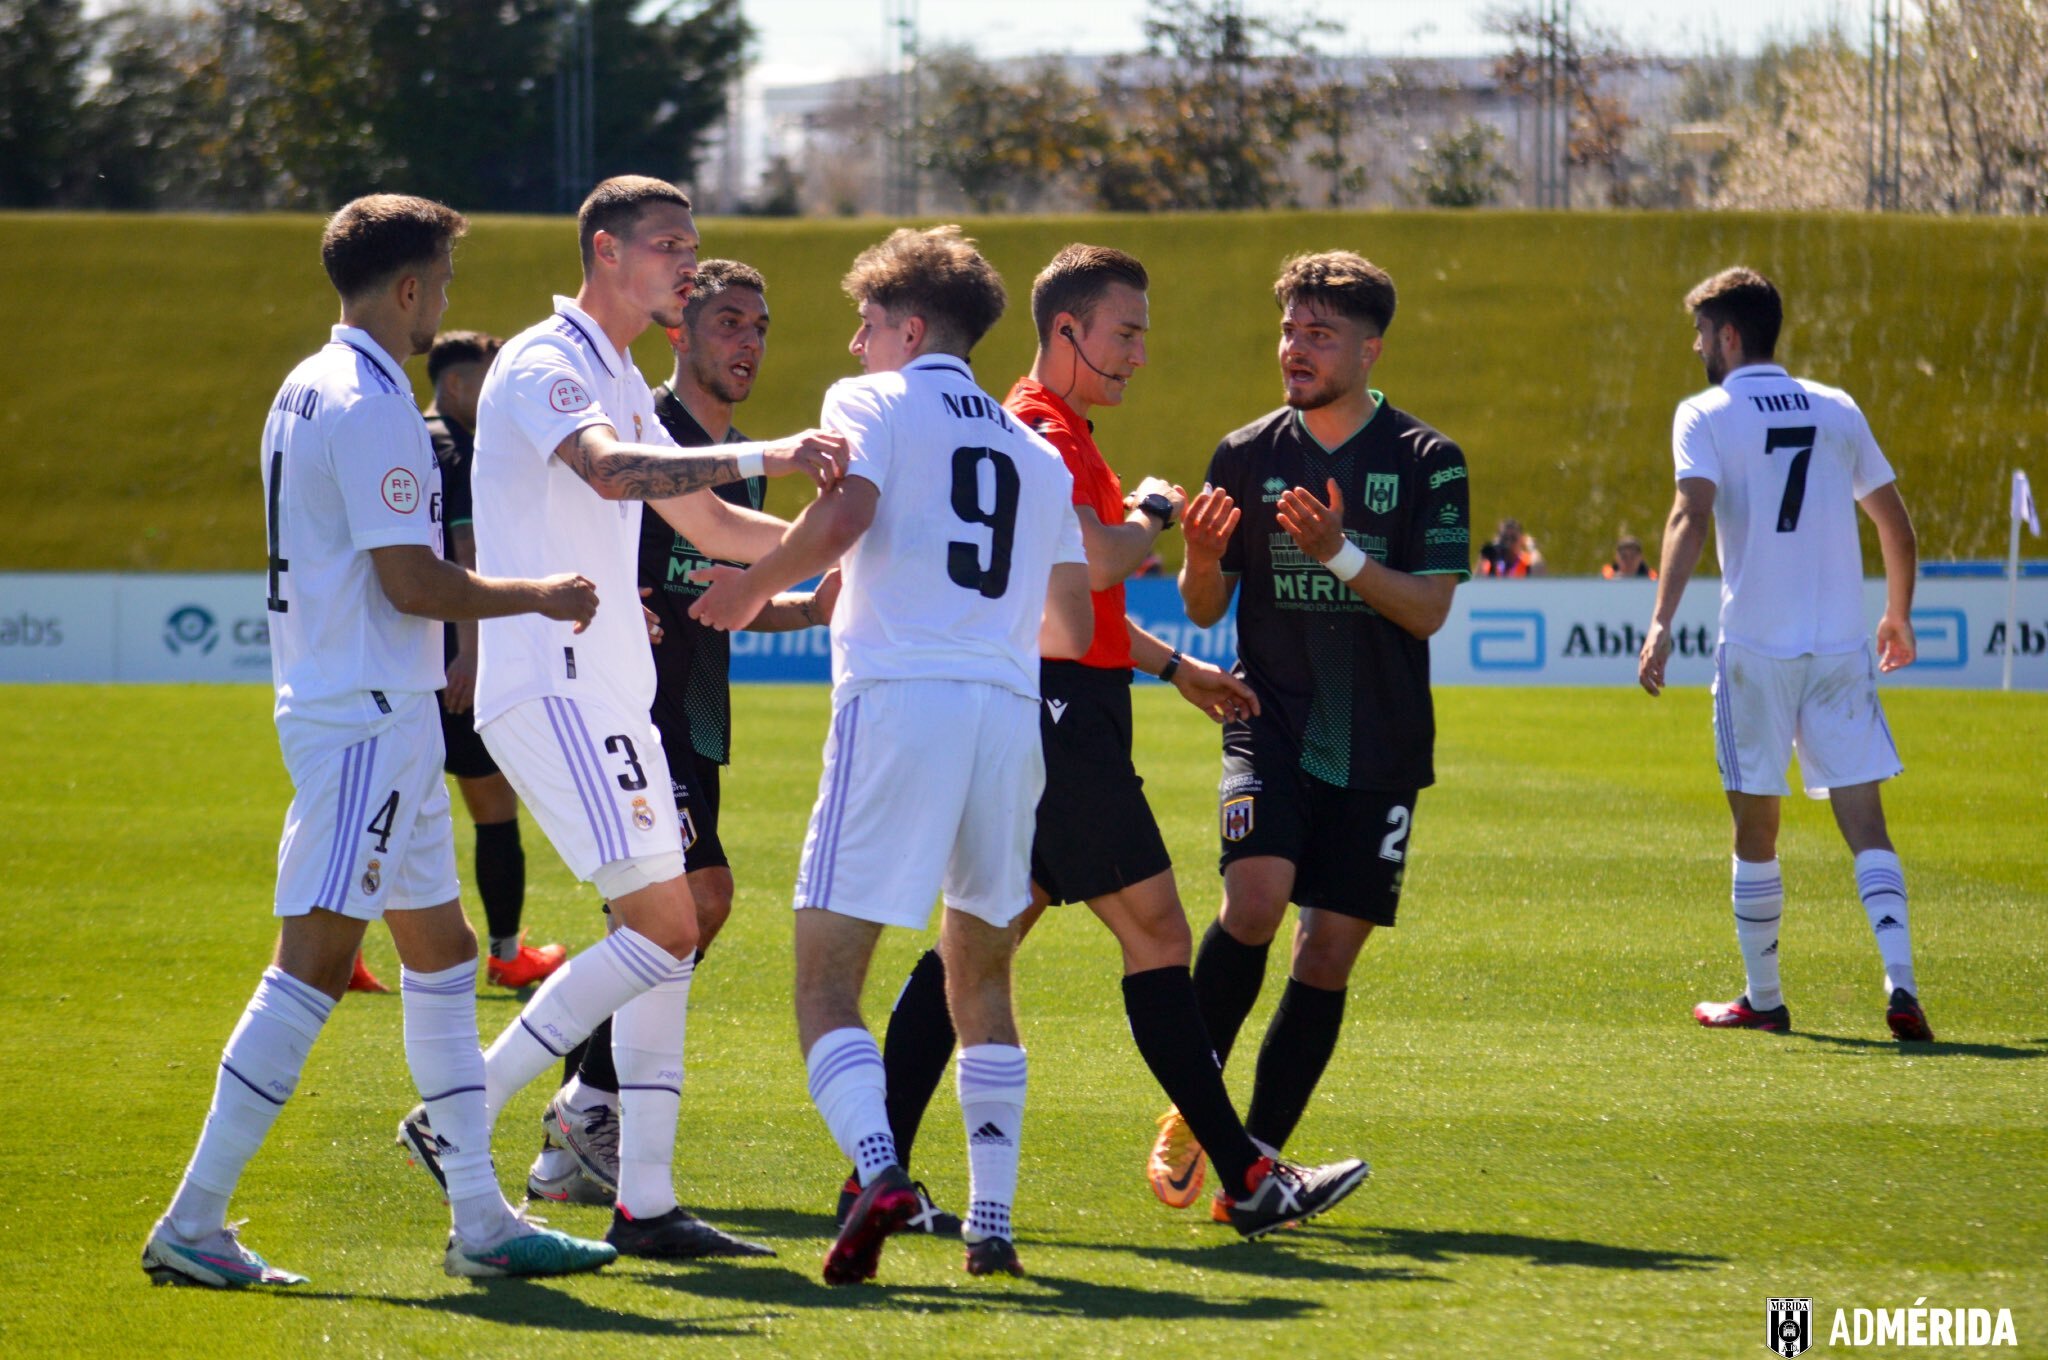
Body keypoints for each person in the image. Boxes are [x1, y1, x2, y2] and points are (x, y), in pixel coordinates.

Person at [142, 194, 615, 1287]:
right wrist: (540, 594)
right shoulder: (371, 401)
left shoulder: (307, 384)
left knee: (443, 954)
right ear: (407, 287)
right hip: (363, 713)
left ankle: (482, 1222)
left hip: (359, 707)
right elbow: (412, 580)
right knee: (308, 966)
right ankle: (195, 1220)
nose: (444, 301)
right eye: (441, 282)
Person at [852, 242, 1368, 1243]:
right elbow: (1088, 564)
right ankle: (1245, 1173)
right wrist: (1155, 513)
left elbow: (1062, 600)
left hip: (1047, 708)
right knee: (1156, 936)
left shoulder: (1052, 429)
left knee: (975, 945)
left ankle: (872, 1177)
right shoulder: (1041, 430)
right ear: (1065, 332)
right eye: (1122, 334)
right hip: (1058, 722)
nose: (1136, 354)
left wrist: (1174, 668)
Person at [393, 176, 847, 1262]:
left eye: (693, 245)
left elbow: (705, 518)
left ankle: (644, 1201)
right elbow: (610, 476)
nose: (687, 264)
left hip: (610, 693)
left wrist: (843, 545)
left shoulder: (618, 376)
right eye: (667, 245)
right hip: (549, 683)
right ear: (605, 250)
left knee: (673, 930)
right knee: (665, 925)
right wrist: (769, 451)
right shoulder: (550, 362)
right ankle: (458, 1114)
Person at [691, 225, 1093, 1283]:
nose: (855, 342)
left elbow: (847, 511)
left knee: (824, 978)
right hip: (1007, 713)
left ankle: (878, 1168)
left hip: (899, 701)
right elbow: (1067, 618)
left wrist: (748, 587)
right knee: (983, 973)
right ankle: (993, 1223)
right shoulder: (1037, 451)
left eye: (867, 324)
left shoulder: (866, 400)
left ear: (910, 328)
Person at [528, 259, 841, 1207]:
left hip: (692, 711)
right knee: (694, 900)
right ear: (681, 333)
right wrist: (608, 601)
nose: (748, 342)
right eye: (729, 323)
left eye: (761, 326)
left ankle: (581, 1124)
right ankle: (582, 1108)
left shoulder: (732, 450)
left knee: (675, 912)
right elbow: (559, 527)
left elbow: (723, 601)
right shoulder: (641, 430)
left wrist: (811, 606)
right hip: (632, 704)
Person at [1173, 251, 1471, 1224]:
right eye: (1288, 331)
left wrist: (1335, 552)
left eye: (1318, 335)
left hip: (1379, 742)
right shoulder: (1244, 453)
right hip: (1270, 721)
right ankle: (1196, 1094)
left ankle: (1250, 1169)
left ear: (1368, 348)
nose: (1293, 350)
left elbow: (1425, 611)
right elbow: (1206, 602)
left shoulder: (1428, 461)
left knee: (1325, 954)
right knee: (1253, 899)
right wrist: (1200, 556)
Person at [1637, 266, 1930, 1042]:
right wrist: (1896, 615)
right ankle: (1901, 982)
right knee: (1867, 821)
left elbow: (1687, 516)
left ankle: (1764, 999)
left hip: (1756, 648)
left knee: (1755, 829)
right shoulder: (1836, 406)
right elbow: (1896, 527)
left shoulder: (1704, 412)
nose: (1698, 346)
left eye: (1702, 333)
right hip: (1838, 641)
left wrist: (1662, 620)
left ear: (1729, 336)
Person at [424, 330, 565, 989]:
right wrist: (471, 655)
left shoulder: (413, 437)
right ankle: (508, 954)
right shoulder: (454, 449)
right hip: (450, 656)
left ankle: (342, 953)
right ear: (456, 385)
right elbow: (464, 556)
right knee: (492, 806)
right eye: (489, 376)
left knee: (381, 803)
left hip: (406, 652)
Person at [1478, 517, 1544, 576]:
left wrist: (1532, 548)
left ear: (1521, 540)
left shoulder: (1529, 563)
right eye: (1504, 538)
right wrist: (1484, 555)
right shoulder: (1490, 563)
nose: (1508, 543)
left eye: (1513, 539)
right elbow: (1474, 585)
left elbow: (1539, 572)